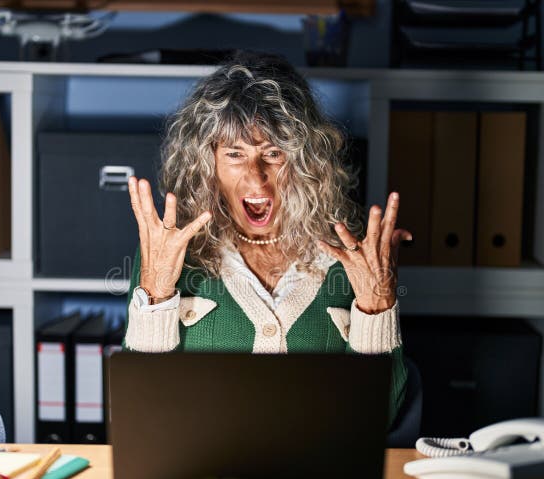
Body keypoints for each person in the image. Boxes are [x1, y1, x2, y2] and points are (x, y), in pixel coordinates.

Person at [124, 51, 413, 426]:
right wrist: (156, 292)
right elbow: (143, 415)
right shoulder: (170, 252)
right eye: (235, 154)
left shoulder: (357, 256)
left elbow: (377, 421)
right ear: (207, 163)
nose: (256, 178)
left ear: (305, 160)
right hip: (210, 478)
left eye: (273, 153)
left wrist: (378, 304)